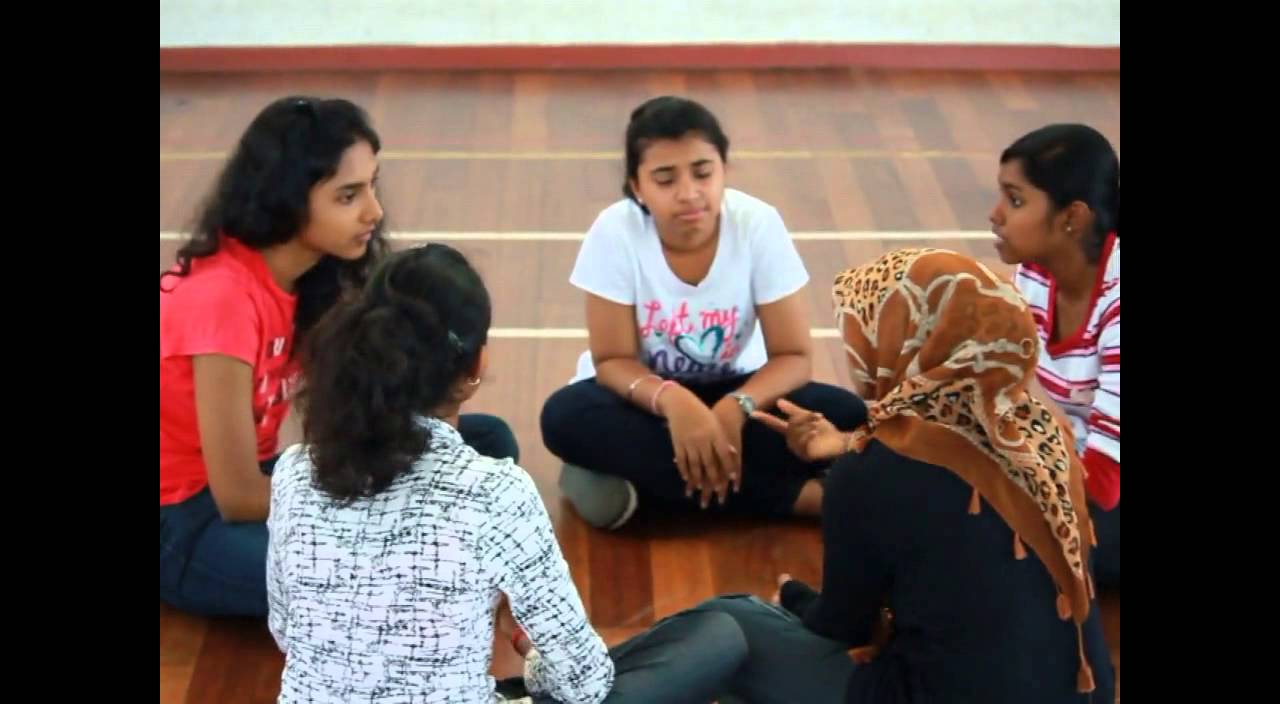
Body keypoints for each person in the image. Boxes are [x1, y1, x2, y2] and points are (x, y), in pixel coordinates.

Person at [267, 244, 748, 703]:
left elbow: (286, 631)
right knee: (722, 634)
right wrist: (529, 660)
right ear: (475, 366)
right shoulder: (496, 493)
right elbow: (583, 684)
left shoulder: (293, 471)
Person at [689, 248, 1115, 703]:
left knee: (732, 627)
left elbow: (841, 627)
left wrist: (793, 596)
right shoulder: (1047, 434)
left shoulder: (870, 471)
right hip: (1087, 694)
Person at [159, 96, 517, 618]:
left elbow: (368, 419)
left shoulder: (315, 277)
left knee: (485, 443)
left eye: (372, 186)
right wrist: (374, 492)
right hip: (190, 519)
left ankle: (432, 560)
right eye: (348, 196)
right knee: (360, 578)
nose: (374, 211)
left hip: (267, 479)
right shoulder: (222, 298)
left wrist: (394, 472)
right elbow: (237, 495)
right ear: (286, 199)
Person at [539, 95, 866, 529]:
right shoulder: (615, 232)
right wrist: (674, 403)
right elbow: (612, 361)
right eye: (665, 179)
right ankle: (798, 497)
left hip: (742, 390)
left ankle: (643, 490)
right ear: (637, 187)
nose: (689, 193)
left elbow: (793, 356)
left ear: (723, 170)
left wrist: (735, 407)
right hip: (643, 400)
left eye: (703, 173)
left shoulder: (757, 224)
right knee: (564, 418)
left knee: (846, 414)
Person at [990, 123, 1119, 588]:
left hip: (1105, 489)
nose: (995, 214)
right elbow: (993, 386)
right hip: (1069, 461)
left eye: (1015, 200)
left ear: (1073, 218)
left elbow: (1103, 483)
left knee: (986, 531)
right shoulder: (1036, 272)